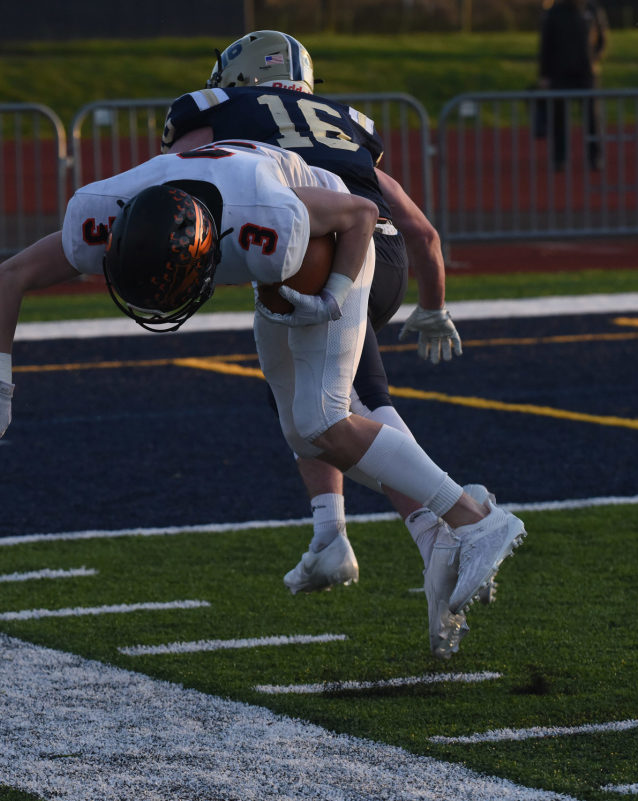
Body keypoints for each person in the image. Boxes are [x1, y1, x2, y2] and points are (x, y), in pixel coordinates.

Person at [0, 139, 527, 658]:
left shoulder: (267, 222)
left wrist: (331, 298)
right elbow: (3, 279)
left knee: (325, 419)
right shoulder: (97, 217)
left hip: (324, 245)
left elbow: (358, 214)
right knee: (301, 434)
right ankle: (436, 528)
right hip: (259, 238)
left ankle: (476, 519)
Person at [160, 30, 479, 611]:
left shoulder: (215, 111)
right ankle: (334, 532)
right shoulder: (340, 121)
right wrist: (432, 308)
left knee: (328, 413)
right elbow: (424, 232)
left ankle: (453, 522)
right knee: (328, 395)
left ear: (239, 73)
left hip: (329, 258)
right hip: (387, 259)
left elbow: (177, 181)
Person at [538, 0, 609, 170]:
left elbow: (602, 39)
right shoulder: (555, 12)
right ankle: (560, 159)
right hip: (560, 75)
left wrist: (595, 59)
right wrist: (544, 75)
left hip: (586, 75)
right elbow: (545, 44)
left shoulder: (592, 9)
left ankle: (595, 157)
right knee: (559, 119)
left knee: (592, 118)